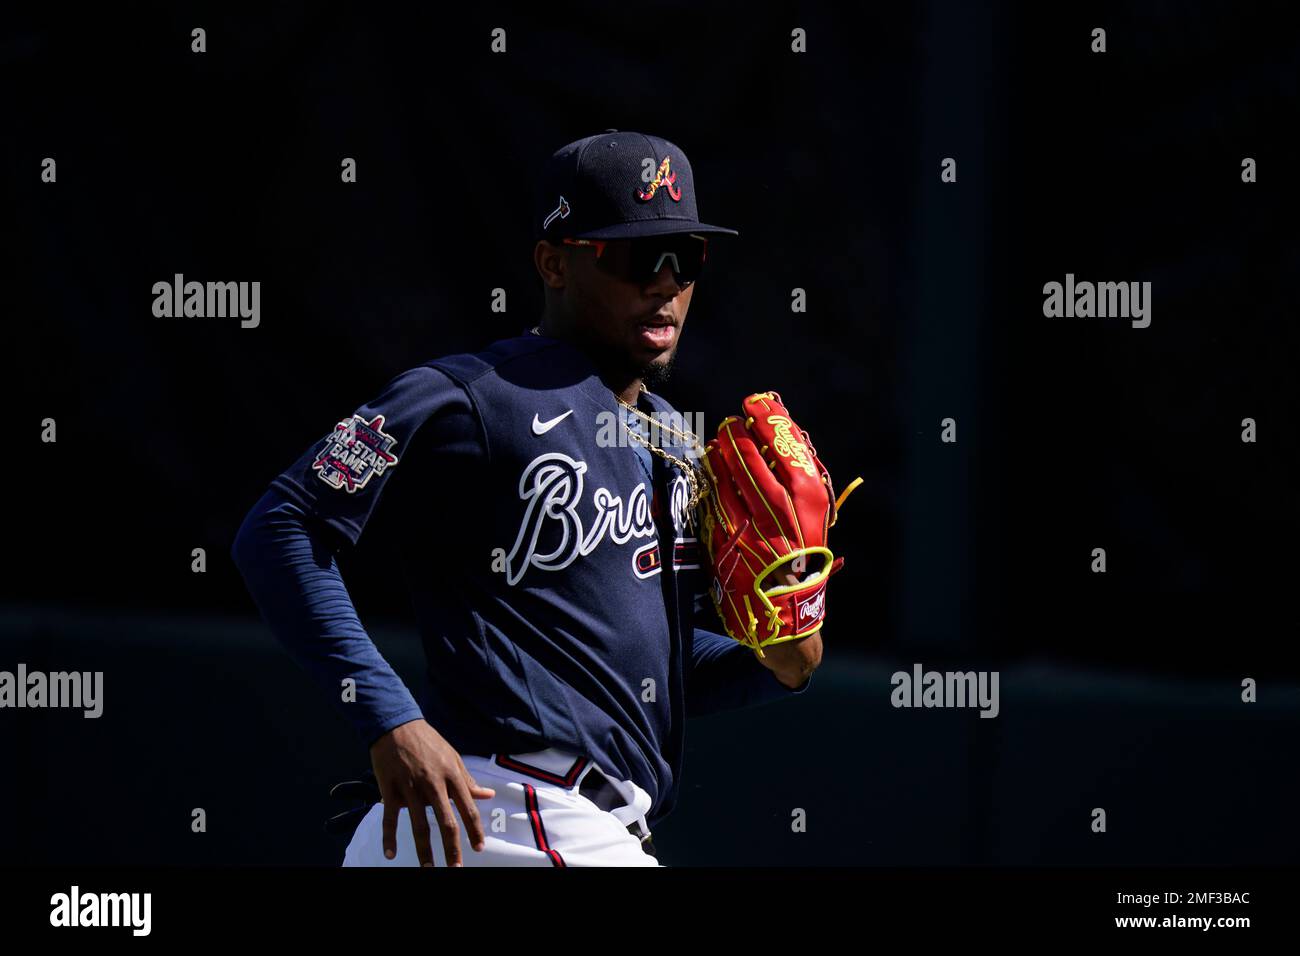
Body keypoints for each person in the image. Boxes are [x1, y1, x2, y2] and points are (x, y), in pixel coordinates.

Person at [230, 130, 823, 867]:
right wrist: (391, 722)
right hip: (513, 812)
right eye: (638, 256)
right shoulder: (473, 394)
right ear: (554, 263)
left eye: (686, 256)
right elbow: (281, 527)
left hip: (531, 825)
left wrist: (775, 662)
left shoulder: (675, 442)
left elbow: (648, 676)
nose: (666, 282)